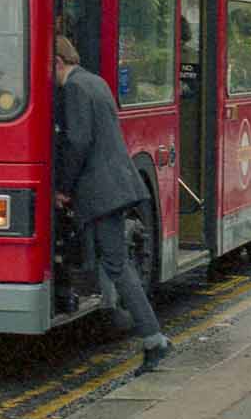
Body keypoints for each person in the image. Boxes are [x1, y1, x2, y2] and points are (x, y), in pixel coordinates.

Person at [52, 35, 172, 374]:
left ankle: (154, 339)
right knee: (113, 261)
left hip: (101, 191)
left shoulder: (74, 88)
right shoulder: (96, 81)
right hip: (117, 186)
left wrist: (63, 187)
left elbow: (78, 141)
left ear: (56, 62)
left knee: (118, 265)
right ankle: (145, 332)